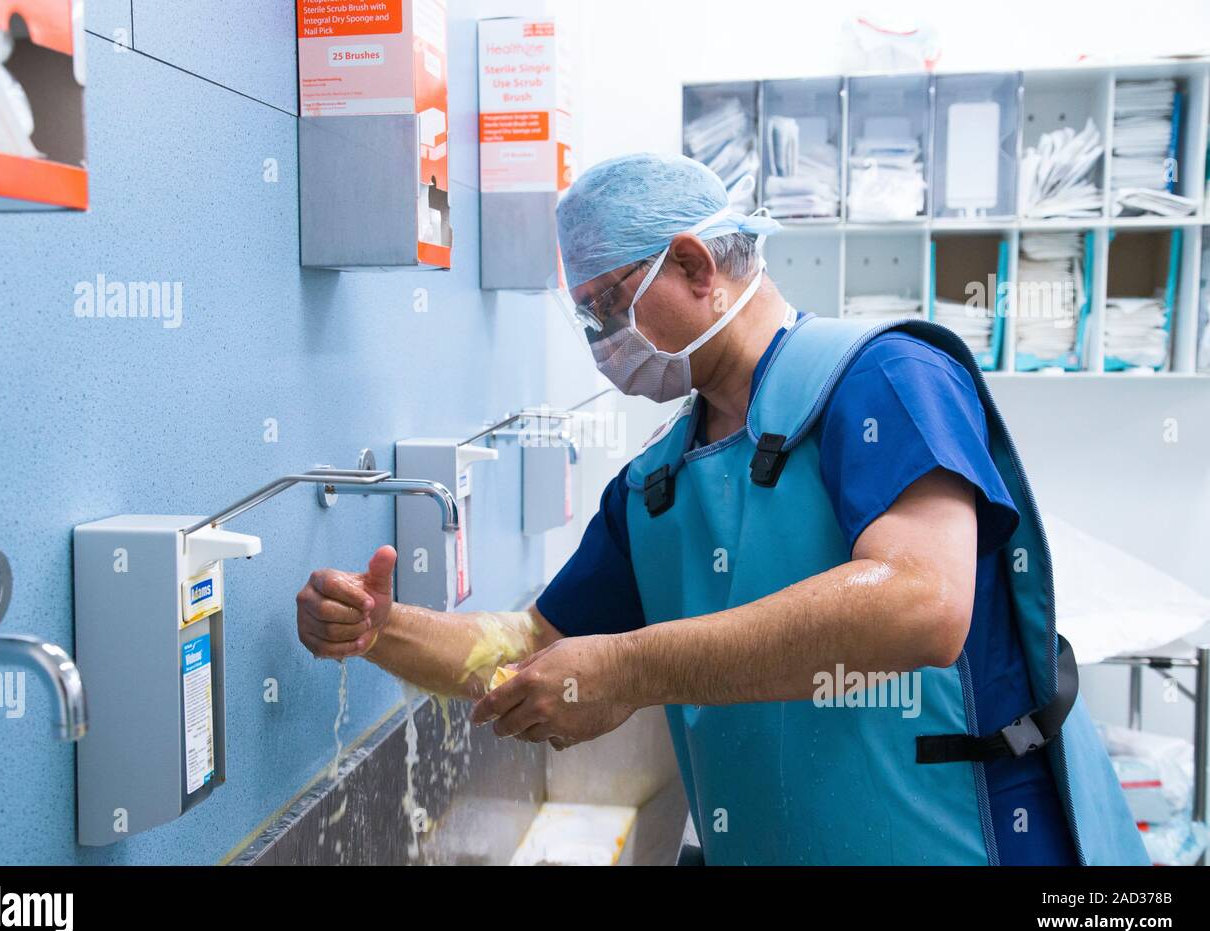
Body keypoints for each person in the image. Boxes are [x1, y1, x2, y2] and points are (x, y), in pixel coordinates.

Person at [295, 153, 1147, 865]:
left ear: (696, 266)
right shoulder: (656, 488)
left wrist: (629, 670)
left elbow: (918, 604)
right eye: (584, 318)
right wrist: (381, 630)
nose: (601, 346)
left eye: (610, 306)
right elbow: (529, 648)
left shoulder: (882, 380)